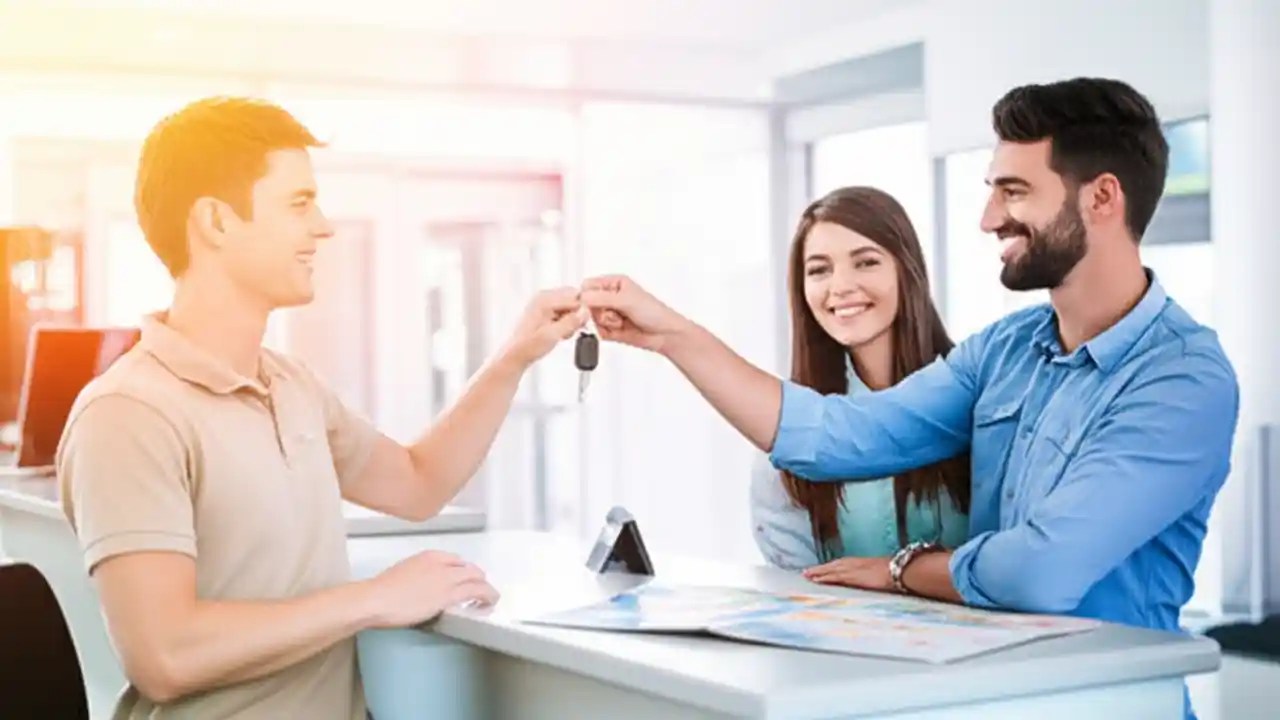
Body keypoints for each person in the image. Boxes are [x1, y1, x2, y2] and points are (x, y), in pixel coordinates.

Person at [581, 77, 1239, 638]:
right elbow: (839, 434)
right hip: (992, 689)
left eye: (1013, 191)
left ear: (1101, 198)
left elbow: (1042, 570)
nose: (988, 218)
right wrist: (671, 335)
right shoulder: (1007, 350)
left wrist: (903, 570)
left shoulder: (1183, 380)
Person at [55, 97, 585, 719]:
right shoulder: (127, 414)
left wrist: (514, 358)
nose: (324, 227)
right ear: (216, 221)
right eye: (299, 203)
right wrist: (373, 598)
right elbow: (165, 656)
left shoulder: (292, 386)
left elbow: (419, 483)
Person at [749, 186, 970, 590]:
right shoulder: (789, 432)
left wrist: (902, 573)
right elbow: (798, 591)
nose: (840, 286)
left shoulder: (980, 399)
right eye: (819, 270)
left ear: (907, 269)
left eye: (866, 262)